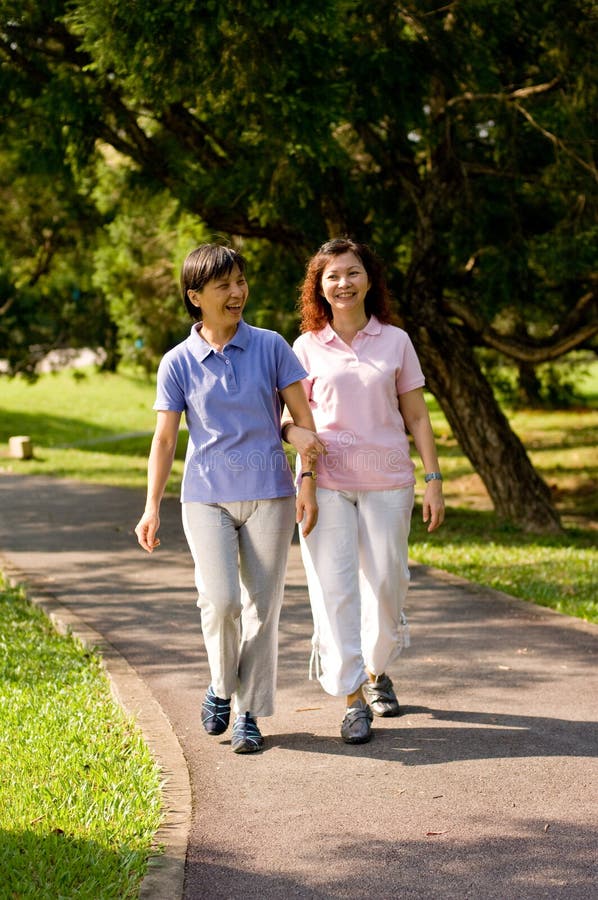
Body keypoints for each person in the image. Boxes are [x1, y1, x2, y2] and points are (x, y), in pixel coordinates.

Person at [135, 243, 324, 754]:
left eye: (240, 281)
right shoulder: (177, 362)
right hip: (205, 498)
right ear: (196, 297)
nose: (237, 292)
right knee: (219, 603)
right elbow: (165, 439)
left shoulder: (270, 346)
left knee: (263, 608)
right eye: (224, 285)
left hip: (270, 494)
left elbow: (301, 422)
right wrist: (152, 505)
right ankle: (221, 686)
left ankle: (248, 714)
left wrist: (306, 481)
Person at [282, 237, 445, 745]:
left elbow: (416, 415)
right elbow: (288, 421)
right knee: (335, 589)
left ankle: (376, 670)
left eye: (352, 273)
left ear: (369, 280)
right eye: (332, 276)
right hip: (324, 485)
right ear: (320, 287)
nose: (343, 284)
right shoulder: (305, 347)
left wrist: (434, 480)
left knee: (389, 585)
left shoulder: (395, 340)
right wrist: (301, 460)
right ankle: (352, 696)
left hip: (389, 482)